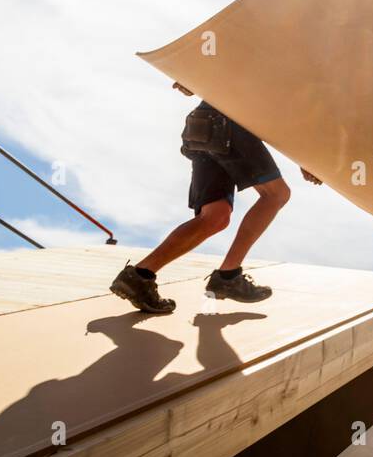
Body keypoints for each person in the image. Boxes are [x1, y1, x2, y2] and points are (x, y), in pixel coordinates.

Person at [110, 84, 322, 314]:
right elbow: (288, 109)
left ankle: (139, 276)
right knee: (276, 194)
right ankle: (228, 276)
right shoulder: (299, 66)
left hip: (200, 126)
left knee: (215, 217)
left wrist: (192, 76)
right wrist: (306, 158)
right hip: (229, 124)